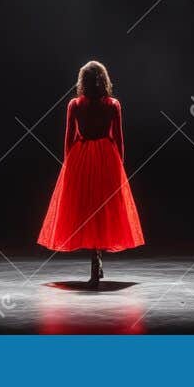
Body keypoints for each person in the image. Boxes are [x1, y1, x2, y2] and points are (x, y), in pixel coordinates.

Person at [37, 60, 145, 285]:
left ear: (82, 82)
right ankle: (97, 256)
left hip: (82, 155)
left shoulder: (75, 104)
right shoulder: (113, 104)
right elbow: (119, 139)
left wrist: (69, 165)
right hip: (106, 155)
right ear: (104, 81)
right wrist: (119, 165)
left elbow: (68, 139)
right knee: (103, 209)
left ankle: (95, 258)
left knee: (86, 207)